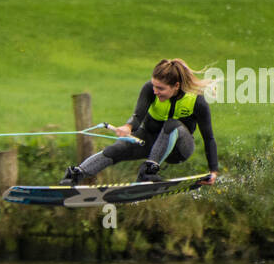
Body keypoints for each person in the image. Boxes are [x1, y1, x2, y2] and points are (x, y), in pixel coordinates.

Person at [60, 58, 220, 185]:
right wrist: (128, 127)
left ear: (176, 86)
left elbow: (209, 139)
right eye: (154, 86)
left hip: (179, 150)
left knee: (172, 124)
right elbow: (137, 117)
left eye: (161, 88)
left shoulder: (197, 102)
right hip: (149, 141)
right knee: (117, 148)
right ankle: (77, 174)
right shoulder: (149, 90)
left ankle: (148, 172)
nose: (155, 91)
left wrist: (213, 170)